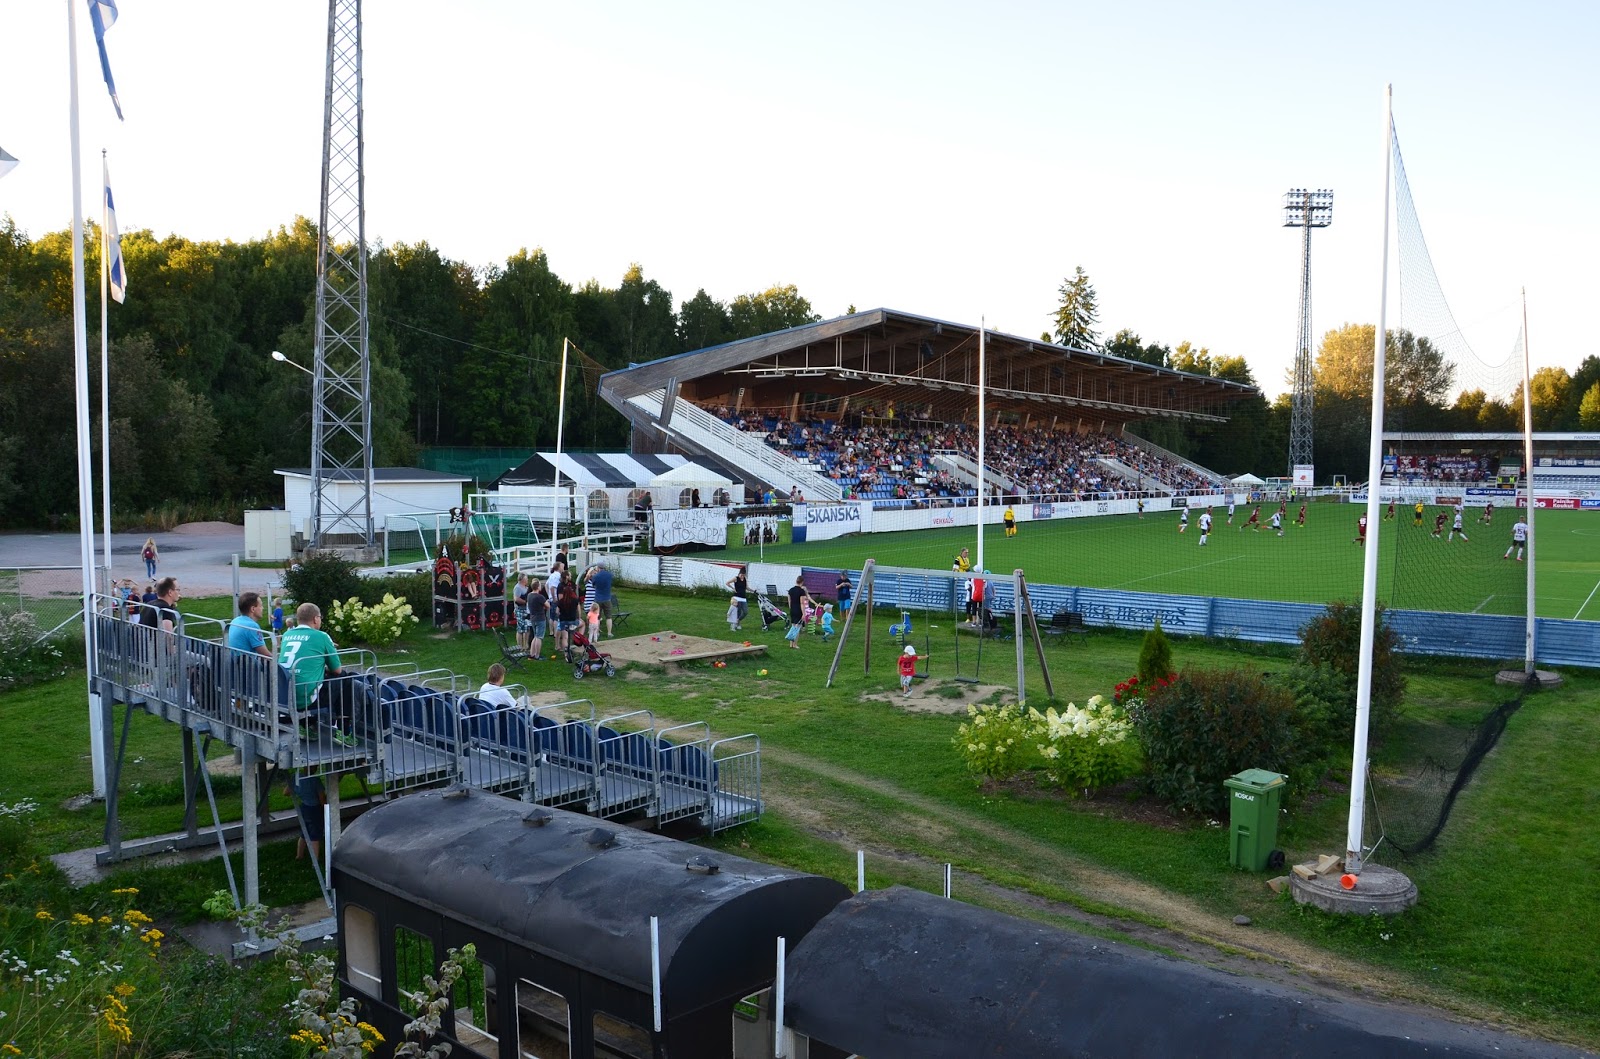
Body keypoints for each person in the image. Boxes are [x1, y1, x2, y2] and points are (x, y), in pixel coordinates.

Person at [278, 603, 351, 745]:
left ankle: (306, 726)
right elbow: (337, 670)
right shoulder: (322, 636)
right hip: (305, 698)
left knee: (310, 679)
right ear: (316, 619)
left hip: (284, 695)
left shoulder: (287, 634)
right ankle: (344, 731)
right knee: (345, 679)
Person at [290, 774, 326, 864]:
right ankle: (315, 861)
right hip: (315, 809)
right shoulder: (315, 780)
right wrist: (325, 809)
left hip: (304, 807)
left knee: (304, 833)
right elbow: (322, 799)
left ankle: (299, 855)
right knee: (315, 836)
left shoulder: (297, 777)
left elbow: (286, 792)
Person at [226, 592, 273, 658]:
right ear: (253, 609)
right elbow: (264, 653)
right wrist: (276, 662)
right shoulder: (252, 626)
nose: (263, 608)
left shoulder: (235, 621)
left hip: (232, 663)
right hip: (246, 665)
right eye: (261, 606)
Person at [554, 582, 581, 655]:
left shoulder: (561, 601)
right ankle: (578, 641)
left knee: (565, 637)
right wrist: (579, 618)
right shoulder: (575, 600)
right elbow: (578, 610)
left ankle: (566, 653)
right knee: (582, 625)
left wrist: (560, 614)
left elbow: (557, 612)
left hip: (563, 621)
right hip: (573, 621)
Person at [590, 562, 616, 638]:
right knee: (608, 617)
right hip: (607, 598)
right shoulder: (609, 575)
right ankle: (609, 633)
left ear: (598, 568)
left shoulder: (596, 576)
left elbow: (593, 585)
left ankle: (597, 633)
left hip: (598, 599)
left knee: (597, 617)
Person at [525, 579, 549, 661]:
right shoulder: (540, 597)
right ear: (538, 587)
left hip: (533, 618)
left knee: (535, 636)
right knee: (539, 637)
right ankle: (537, 655)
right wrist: (544, 607)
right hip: (540, 618)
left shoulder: (529, 595)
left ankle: (532, 653)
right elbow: (548, 605)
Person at [785, 576, 812, 650]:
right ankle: (795, 644)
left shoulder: (790, 590)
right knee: (797, 628)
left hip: (792, 609)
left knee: (793, 626)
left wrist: (791, 609)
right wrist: (804, 613)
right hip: (798, 610)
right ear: (802, 582)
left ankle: (791, 643)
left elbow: (789, 601)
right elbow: (802, 603)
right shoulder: (801, 591)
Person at [726, 565, 749, 630]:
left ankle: (738, 620)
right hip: (737, 597)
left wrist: (753, 590)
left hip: (743, 598)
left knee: (745, 611)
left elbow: (746, 587)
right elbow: (727, 583)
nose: (742, 576)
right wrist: (733, 588)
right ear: (739, 574)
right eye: (741, 575)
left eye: (743, 575)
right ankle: (735, 624)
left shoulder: (744, 579)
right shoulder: (736, 578)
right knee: (737, 611)